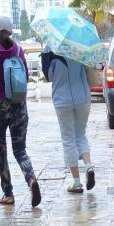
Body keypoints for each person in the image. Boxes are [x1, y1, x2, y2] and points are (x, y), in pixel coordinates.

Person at [0, 18, 41, 207]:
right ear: (10, 32)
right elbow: (26, 76)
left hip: (0, 107)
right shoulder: (18, 51)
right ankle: (31, 179)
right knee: (20, 149)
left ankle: (8, 193)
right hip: (19, 105)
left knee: (1, 151)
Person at [41, 47, 95, 194]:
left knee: (68, 139)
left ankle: (77, 183)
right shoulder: (79, 45)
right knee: (81, 135)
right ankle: (88, 166)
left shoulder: (50, 49)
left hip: (62, 100)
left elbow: (49, 77)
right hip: (82, 97)